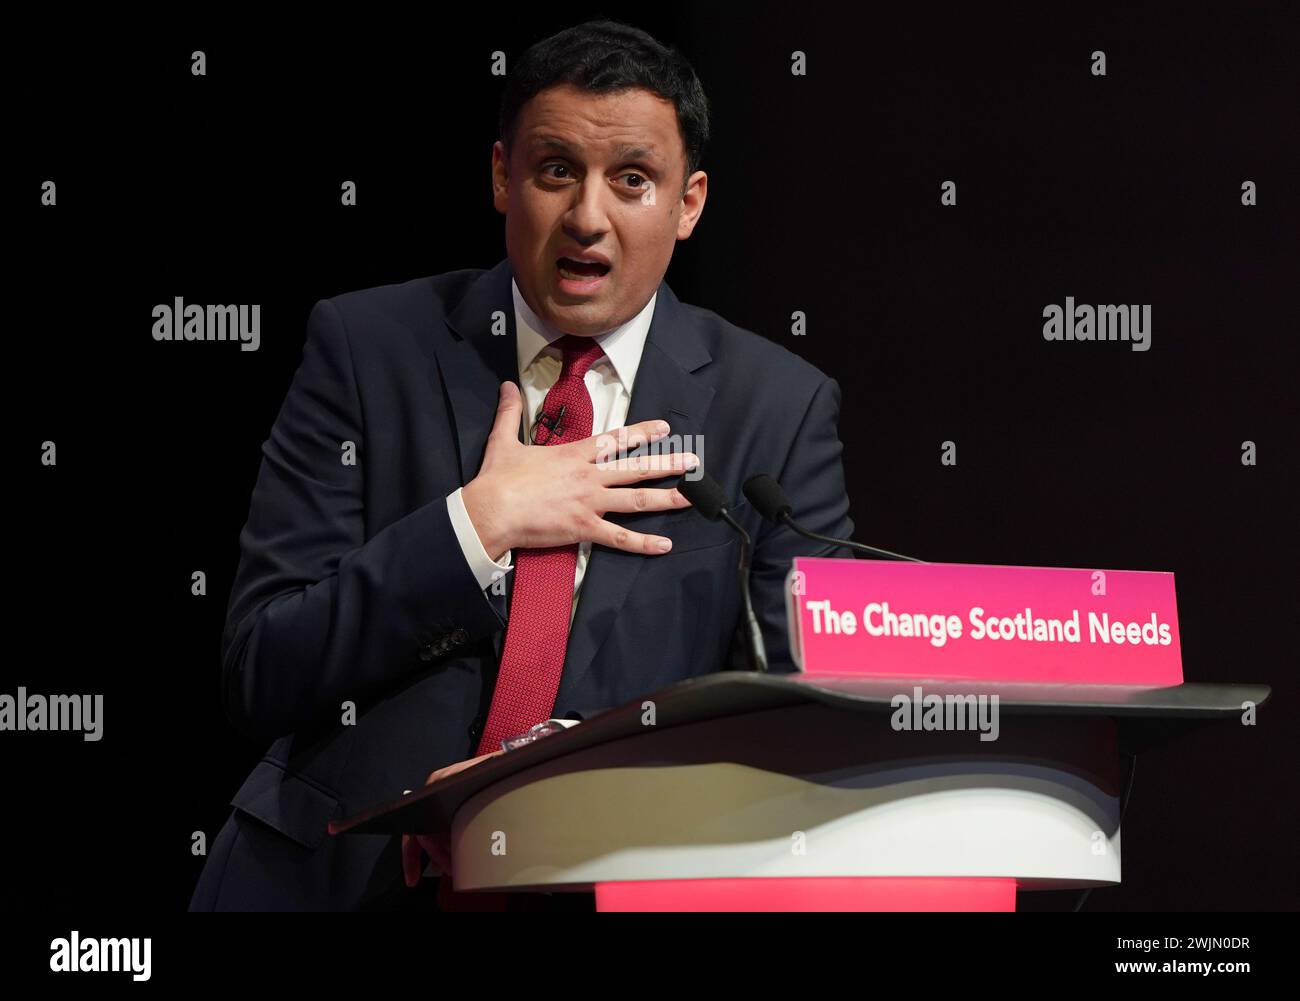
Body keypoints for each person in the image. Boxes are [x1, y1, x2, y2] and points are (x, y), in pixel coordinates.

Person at [188, 18, 855, 912]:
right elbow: (261, 667)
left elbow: (799, 720)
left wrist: (559, 782)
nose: (588, 216)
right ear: (503, 176)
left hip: (604, 884)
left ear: (689, 203)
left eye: (632, 179)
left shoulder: (775, 408)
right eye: (555, 170)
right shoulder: (367, 347)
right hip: (334, 882)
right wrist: (475, 526)